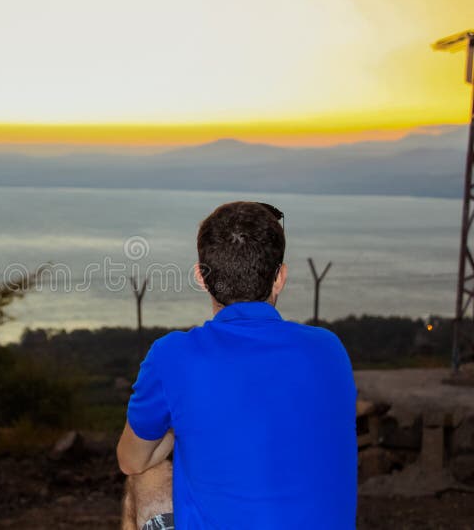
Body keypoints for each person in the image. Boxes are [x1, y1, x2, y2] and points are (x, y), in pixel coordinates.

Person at [117, 201, 357, 530]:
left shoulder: (173, 356)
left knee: (145, 475)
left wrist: (178, 422)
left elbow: (130, 459)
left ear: (201, 276)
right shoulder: (330, 349)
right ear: (280, 278)